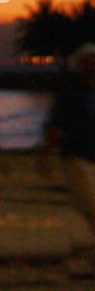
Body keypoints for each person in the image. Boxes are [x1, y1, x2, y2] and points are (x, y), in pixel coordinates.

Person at [43, 44, 95, 275]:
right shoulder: (70, 93)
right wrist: (47, 151)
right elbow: (53, 124)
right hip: (76, 156)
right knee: (91, 206)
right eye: (87, 62)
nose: (91, 66)